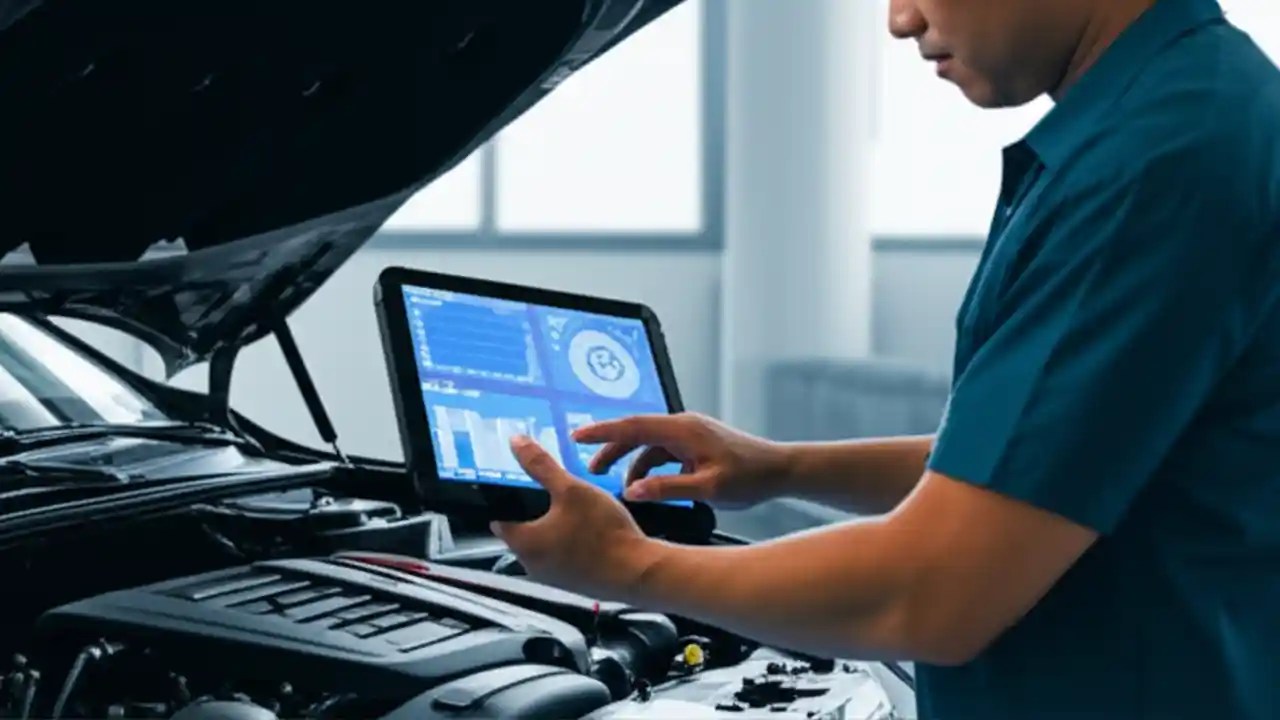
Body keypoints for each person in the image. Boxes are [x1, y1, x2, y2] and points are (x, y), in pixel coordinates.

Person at [492, 0, 1280, 717]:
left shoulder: (1160, 158)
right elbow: (1040, 466)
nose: (900, 20)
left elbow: (934, 591)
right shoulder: (1182, 114)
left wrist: (629, 567)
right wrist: (781, 468)